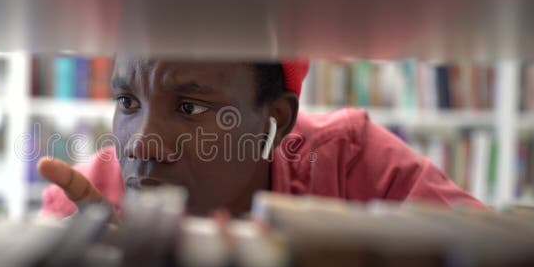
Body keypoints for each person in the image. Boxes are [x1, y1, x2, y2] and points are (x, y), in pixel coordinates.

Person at [36, 58, 485, 218]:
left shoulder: (351, 165)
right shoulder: (83, 202)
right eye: (127, 102)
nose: (139, 144)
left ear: (277, 120)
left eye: (190, 107)